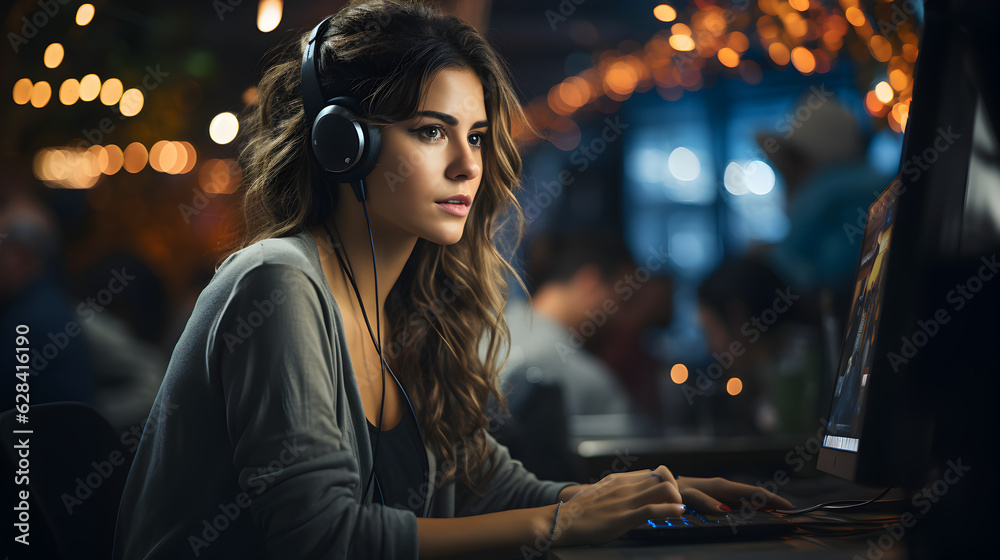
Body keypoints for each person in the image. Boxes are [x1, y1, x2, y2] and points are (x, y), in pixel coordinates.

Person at [112, 2, 791, 558]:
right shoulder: (278, 284)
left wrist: (640, 498)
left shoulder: (404, 305)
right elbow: (320, 538)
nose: (470, 165)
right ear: (342, 144)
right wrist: (560, 524)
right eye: (432, 132)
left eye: (476, 135)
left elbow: (485, 484)